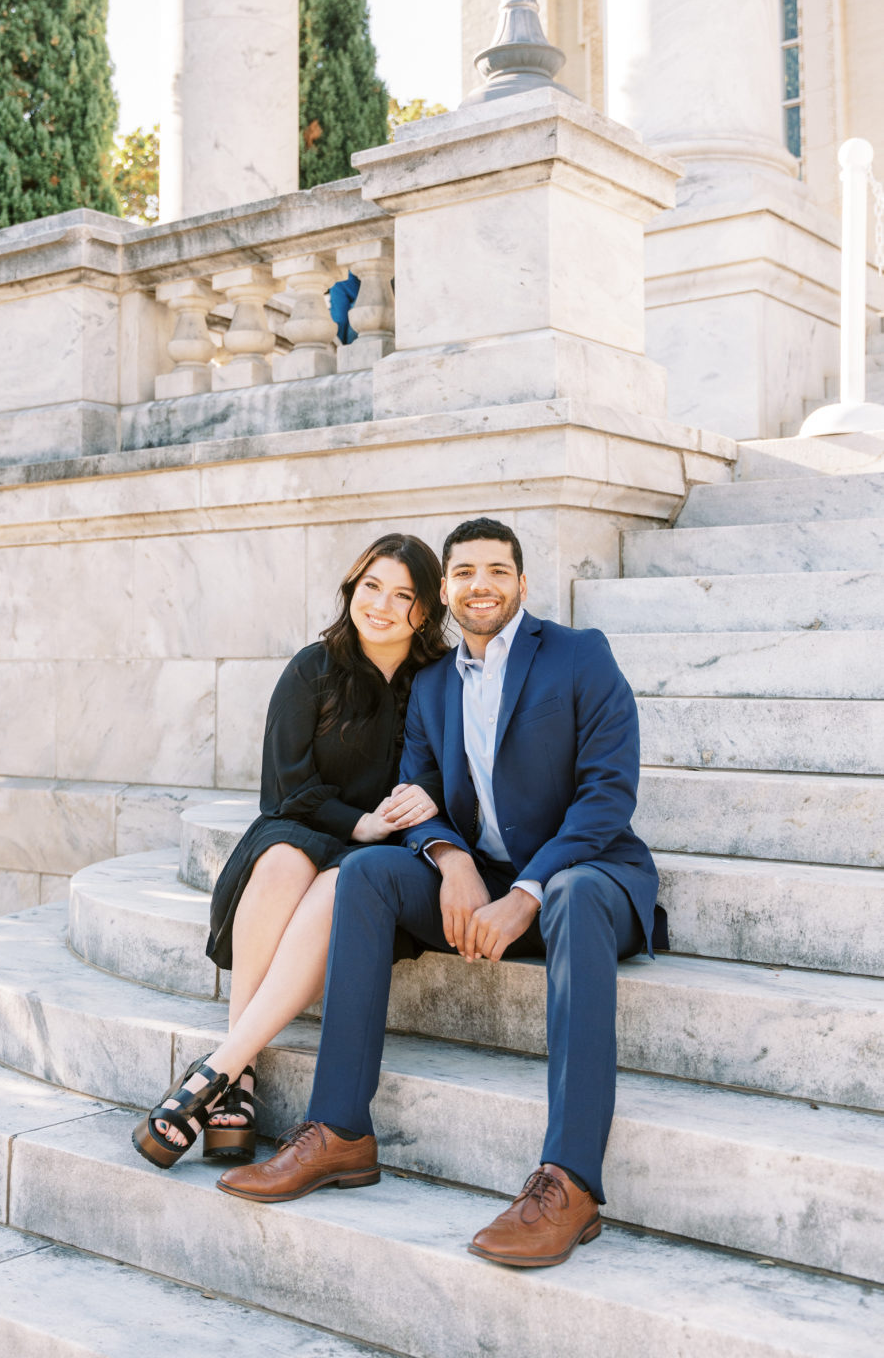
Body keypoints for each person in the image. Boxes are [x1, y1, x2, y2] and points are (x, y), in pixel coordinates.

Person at [217, 516, 667, 1271]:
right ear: (446, 593)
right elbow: (417, 792)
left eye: (496, 571)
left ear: (522, 583)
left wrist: (526, 890)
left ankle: (570, 1181)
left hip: (586, 882)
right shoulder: (431, 685)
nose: (480, 585)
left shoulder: (578, 656)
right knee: (365, 873)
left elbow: (606, 797)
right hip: (480, 885)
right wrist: (451, 859)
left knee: (575, 893)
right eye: (464, 573)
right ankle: (339, 1132)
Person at [132, 532, 448, 1170]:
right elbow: (284, 789)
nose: (381, 605)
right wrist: (356, 823)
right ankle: (240, 1073)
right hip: (306, 825)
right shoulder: (314, 668)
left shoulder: (441, 681)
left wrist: (419, 806)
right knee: (281, 861)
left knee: (345, 884)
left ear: (427, 610)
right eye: (371, 587)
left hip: (382, 856)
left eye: (403, 595)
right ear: (351, 589)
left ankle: (220, 1074)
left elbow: (458, 770)